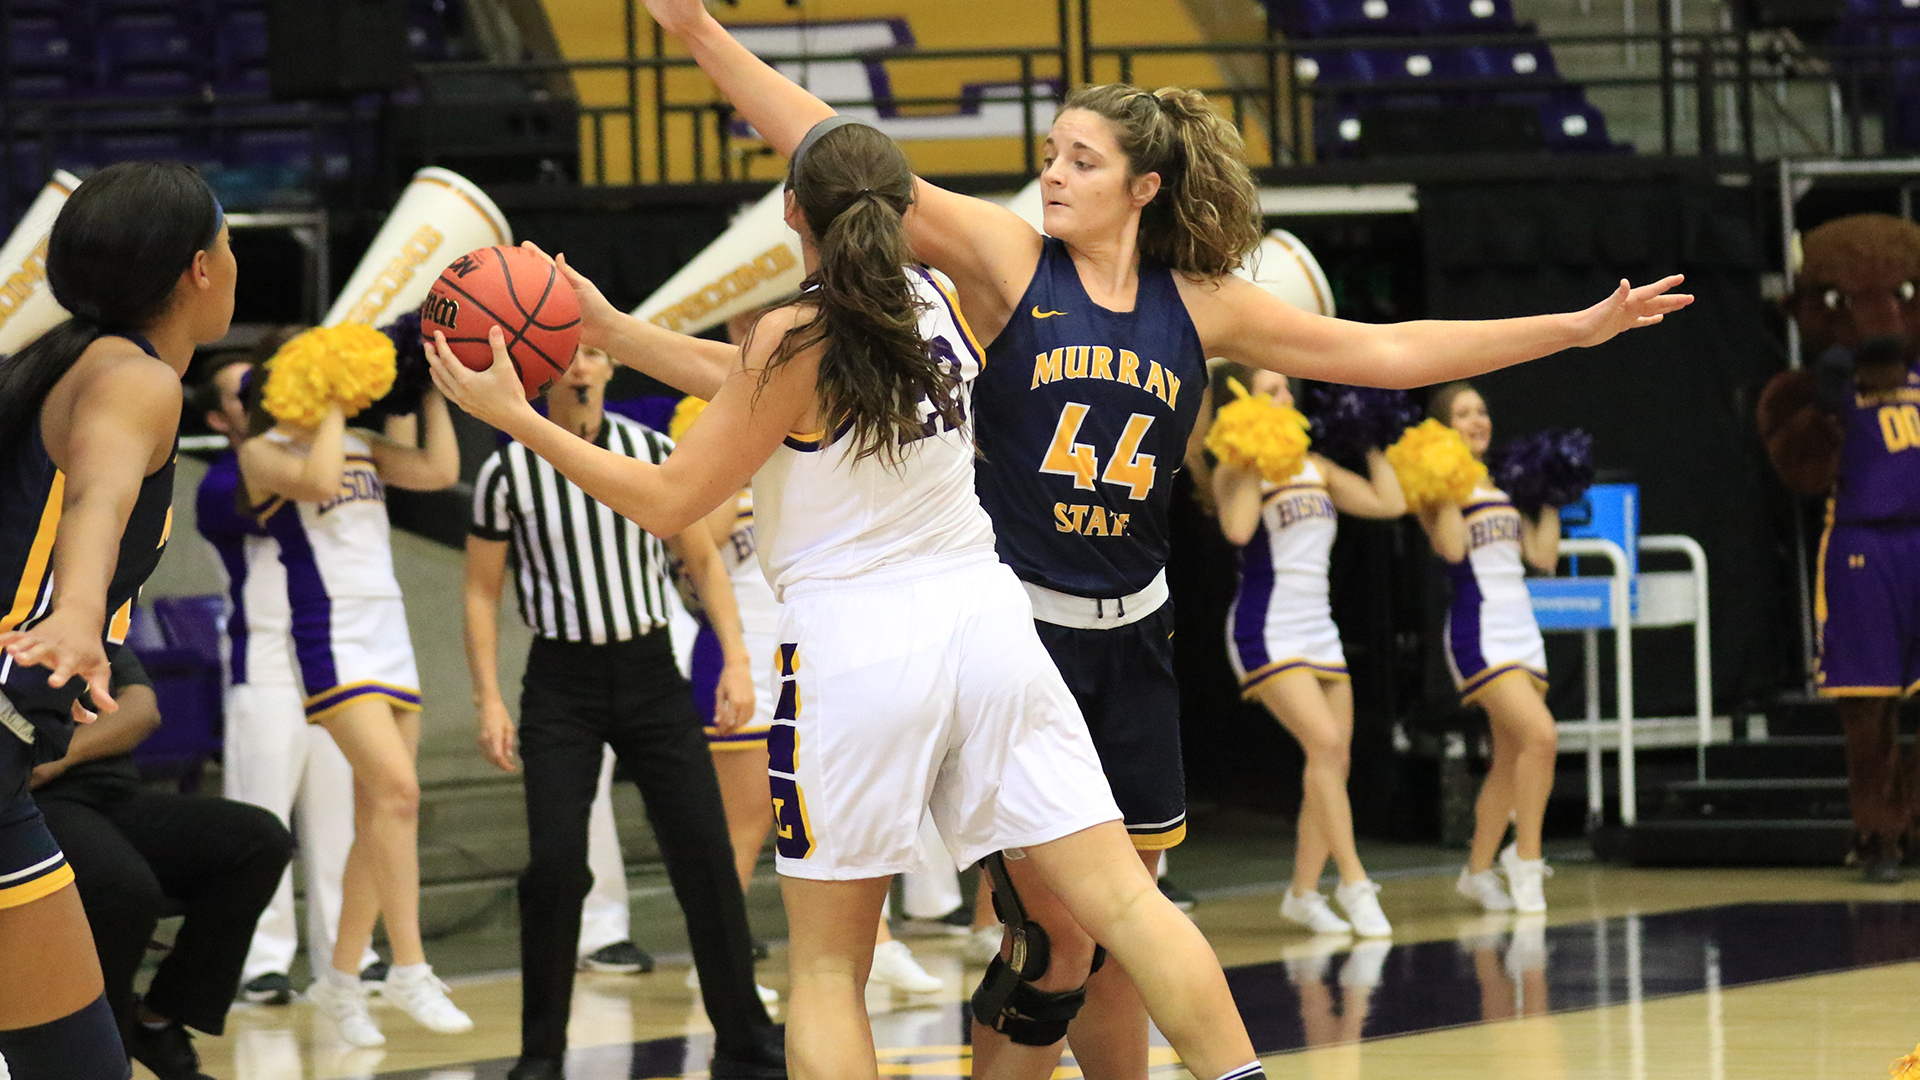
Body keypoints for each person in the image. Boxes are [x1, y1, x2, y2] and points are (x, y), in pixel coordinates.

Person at [607, 5, 1691, 1076]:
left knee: (1119, 939)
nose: (1054, 176)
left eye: (1080, 160)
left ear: (1145, 186)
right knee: (1052, 944)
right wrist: (701, 32)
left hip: (1134, 642)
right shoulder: (1005, 257)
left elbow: (1388, 350)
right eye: (1049, 156)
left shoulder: (1205, 306)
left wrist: (1574, 328)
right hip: (1012, 632)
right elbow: (837, 152)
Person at [427, 115, 1274, 1080]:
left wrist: (514, 422)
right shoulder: (938, 299)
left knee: (831, 967)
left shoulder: (791, 336)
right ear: (907, 211)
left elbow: (673, 494)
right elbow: (755, 390)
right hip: (988, 629)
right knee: (1127, 905)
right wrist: (615, 331)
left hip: (855, 651)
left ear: (792, 212)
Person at [462, 343, 787, 1080]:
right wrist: (486, 697)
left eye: (594, 356)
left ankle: (743, 1035)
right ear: (541, 373)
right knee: (553, 867)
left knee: (705, 856)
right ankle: (540, 1053)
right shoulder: (506, 471)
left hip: (650, 676)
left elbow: (703, 561)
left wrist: (735, 658)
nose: (580, 369)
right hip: (560, 685)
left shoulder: (651, 450)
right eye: (566, 359)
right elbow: (481, 591)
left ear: (610, 369)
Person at [0, 161, 234, 1080]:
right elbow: (97, 500)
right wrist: (81, 617)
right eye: (229, 246)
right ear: (199, 270)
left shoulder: (56, 368)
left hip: (9, 771)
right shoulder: (134, 381)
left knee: (77, 1064)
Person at [232, 346, 467, 1046]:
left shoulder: (362, 443)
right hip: (329, 634)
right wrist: (332, 403)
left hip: (388, 627)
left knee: (379, 811)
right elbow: (320, 478)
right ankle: (409, 966)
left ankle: (338, 982)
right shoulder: (262, 454)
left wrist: (428, 392)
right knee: (399, 794)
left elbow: (440, 471)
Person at [188, 347, 383, 1005]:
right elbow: (312, 484)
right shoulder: (222, 482)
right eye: (246, 394)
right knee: (261, 823)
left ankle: (346, 958)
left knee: (340, 821)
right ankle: (259, 963)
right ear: (221, 418)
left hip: (329, 665)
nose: (266, 397)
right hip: (263, 669)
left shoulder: (329, 457)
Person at [33, 644, 291, 1080]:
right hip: (32, 805)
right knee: (122, 889)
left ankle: (155, 1020)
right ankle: (104, 1059)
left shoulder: (82, 608)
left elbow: (141, 709)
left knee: (257, 840)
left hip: (108, 792)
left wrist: (61, 756)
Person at [1755, 213, 1920, 883]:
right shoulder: (1808, 388)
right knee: (1869, 704)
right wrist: (1823, 412)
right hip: (1862, 549)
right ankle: (1876, 835)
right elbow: (1801, 475)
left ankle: (1909, 814)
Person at [1212, 369, 1406, 937]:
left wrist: (1373, 438)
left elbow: (1388, 501)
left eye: (1286, 390)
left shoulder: (1317, 467)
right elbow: (1241, 530)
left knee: (1333, 761)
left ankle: (1301, 893)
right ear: (1245, 402)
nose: (1285, 397)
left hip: (1319, 629)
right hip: (1266, 627)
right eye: (1270, 390)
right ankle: (1353, 882)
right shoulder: (1234, 469)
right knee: (1323, 745)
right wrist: (1247, 456)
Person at [1414, 382, 1560, 914]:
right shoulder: (1435, 487)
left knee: (1510, 757)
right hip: (1479, 629)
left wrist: (1549, 496)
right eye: (1462, 413)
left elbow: (1542, 556)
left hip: (1522, 625)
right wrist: (1449, 479)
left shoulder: (1503, 485)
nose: (1477, 419)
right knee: (1541, 736)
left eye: (1481, 409)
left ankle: (1477, 872)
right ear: (1443, 428)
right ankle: (1525, 858)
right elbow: (1451, 547)